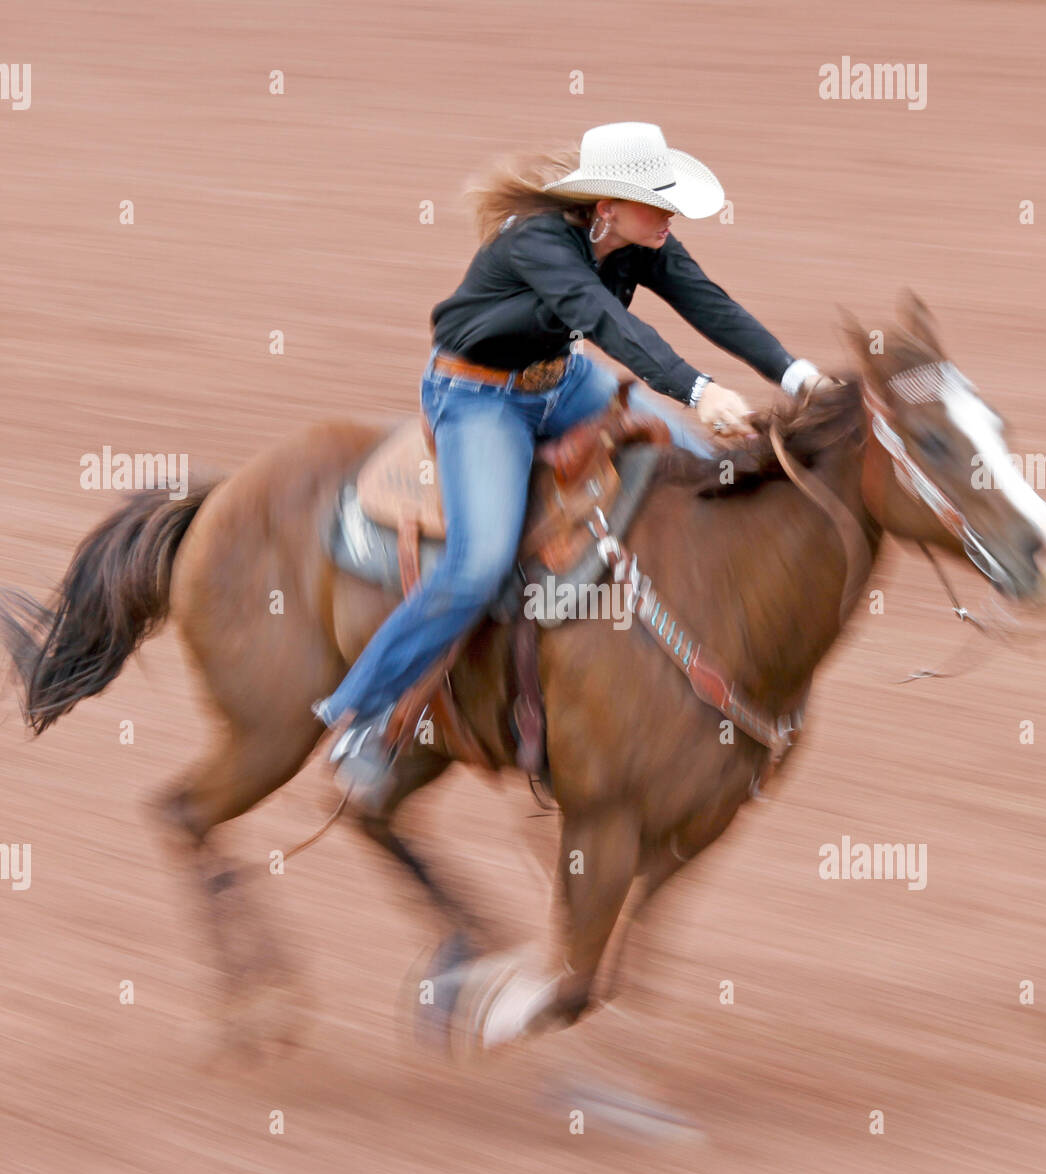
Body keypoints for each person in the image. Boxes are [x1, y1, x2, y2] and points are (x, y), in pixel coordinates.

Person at [315, 121, 830, 798]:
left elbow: (712, 307)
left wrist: (798, 378)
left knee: (699, 453)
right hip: (477, 399)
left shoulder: (642, 242)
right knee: (478, 563)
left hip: (560, 382)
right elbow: (610, 323)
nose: (671, 215)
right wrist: (698, 389)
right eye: (658, 201)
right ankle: (359, 714)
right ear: (607, 206)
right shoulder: (539, 242)